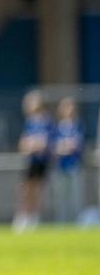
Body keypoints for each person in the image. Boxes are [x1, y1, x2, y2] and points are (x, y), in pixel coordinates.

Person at [14, 90, 52, 232]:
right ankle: (24, 214)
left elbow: (44, 142)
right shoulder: (30, 121)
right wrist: (31, 144)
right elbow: (23, 142)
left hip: (41, 161)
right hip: (31, 160)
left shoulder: (46, 121)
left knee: (37, 189)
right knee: (25, 188)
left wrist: (33, 144)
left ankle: (35, 217)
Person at [50, 96, 84, 225]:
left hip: (74, 166)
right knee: (60, 197)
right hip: (61, 166)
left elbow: (76, 145)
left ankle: (77, 222)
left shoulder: (78, 125)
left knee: (76, 196)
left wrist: (64, 146)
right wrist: (65, 146)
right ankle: (61, 222)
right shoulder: (58, 127)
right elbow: (54, 147)